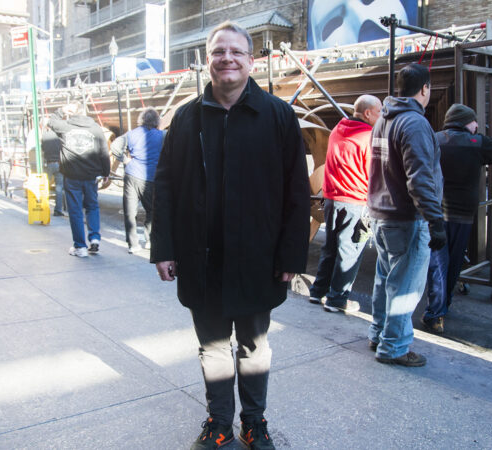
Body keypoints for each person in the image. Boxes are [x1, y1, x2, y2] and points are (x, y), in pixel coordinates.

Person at [151, 21, 309, 450]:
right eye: (219, 51)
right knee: (214, 348)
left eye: (236, 52)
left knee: (254, 347)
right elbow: (163, 186)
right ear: (208, 60)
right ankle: (219, 420)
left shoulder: (277, 115)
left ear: (251, 60)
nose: (227, 59)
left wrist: (292, 256)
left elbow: (298, 190)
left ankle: (253, 423)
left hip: (258, 258)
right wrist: (163, 247)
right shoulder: (185, 118)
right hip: (201, 259)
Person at [366, 63, 445, 367]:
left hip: (382, 214)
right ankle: (394, 346)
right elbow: (420, 178)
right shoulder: (413, 123)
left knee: (386, 280)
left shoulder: (383, 120)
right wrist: (435, 220)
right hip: (407, 217)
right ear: (424, 89)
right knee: (405, 286)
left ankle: (379, 334)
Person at [423, 104, 492, 333]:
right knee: (454, 264)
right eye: (474, 122)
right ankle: (440, 308)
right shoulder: (478, 143)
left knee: (437, 264)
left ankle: (436, 310)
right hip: (463, 215)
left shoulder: (435, 138)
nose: (476, 126)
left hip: (435, 212)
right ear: (466, 122)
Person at [308, 94, 381, 313]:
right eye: (380, 112)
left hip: (332, 200)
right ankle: (337, 299)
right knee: (351, 250)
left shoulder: (338, 130)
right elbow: (375, 174)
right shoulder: (369, 137)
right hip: (356, 202)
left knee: (331, 247)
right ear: (367, 113)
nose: (382, 116)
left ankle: (318, 291)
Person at [48, 101, 110, 257]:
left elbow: (51, 121)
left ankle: (80, 246)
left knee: (75, 211)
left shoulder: (65, 127)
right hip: (91, 176)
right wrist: (106, 172)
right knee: (92, 207)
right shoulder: (96, 129)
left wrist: (61, 110)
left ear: (71, 112)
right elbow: (103, 153)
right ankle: (95, 238)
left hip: (72, 176)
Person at [110, 107, 164, 253]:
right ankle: (150, 240)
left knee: (130, 211)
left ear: (141, 120)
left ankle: (133, 244)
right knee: (152, 211)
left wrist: (125, 160)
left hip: (132, 175)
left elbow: (115, 146)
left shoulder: (131, 134)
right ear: (157, 121)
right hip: (151, 177)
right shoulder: (162, 135)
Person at [41, 122, 65, 217]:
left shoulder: (45, 135)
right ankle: (58, 210)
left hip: (49, 164)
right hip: (59, 164)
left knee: (44, 186)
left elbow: (42, 148)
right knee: (59, 188)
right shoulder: (60, 135)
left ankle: (43, 208)